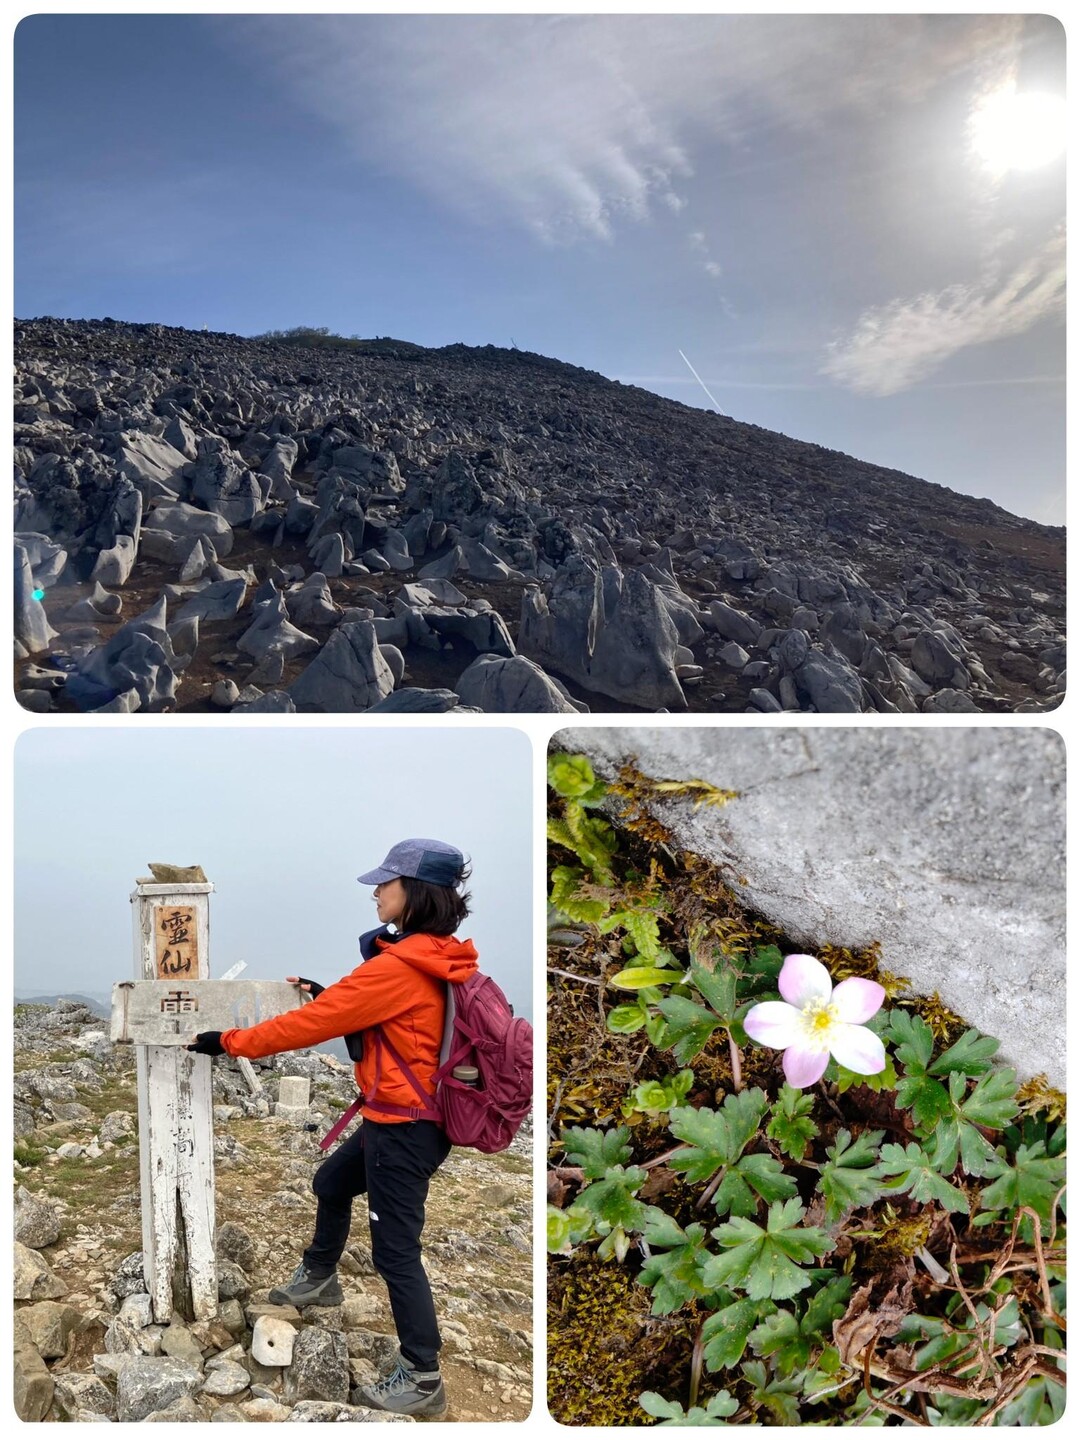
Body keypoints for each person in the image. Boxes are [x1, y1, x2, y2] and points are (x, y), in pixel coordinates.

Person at [186, 838, 478, 1418]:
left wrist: (228, 1043)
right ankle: (321, 1276)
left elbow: (308, 1026)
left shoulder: (398, 966)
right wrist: (334, 996)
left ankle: (422, 1376)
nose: (375, 891)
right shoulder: (437, 954)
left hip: (404, 1127)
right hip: (401, 1117)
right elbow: (372, 1016)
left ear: (415, 894)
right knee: (332, 1182)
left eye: (385, 882)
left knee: (396, 1253)